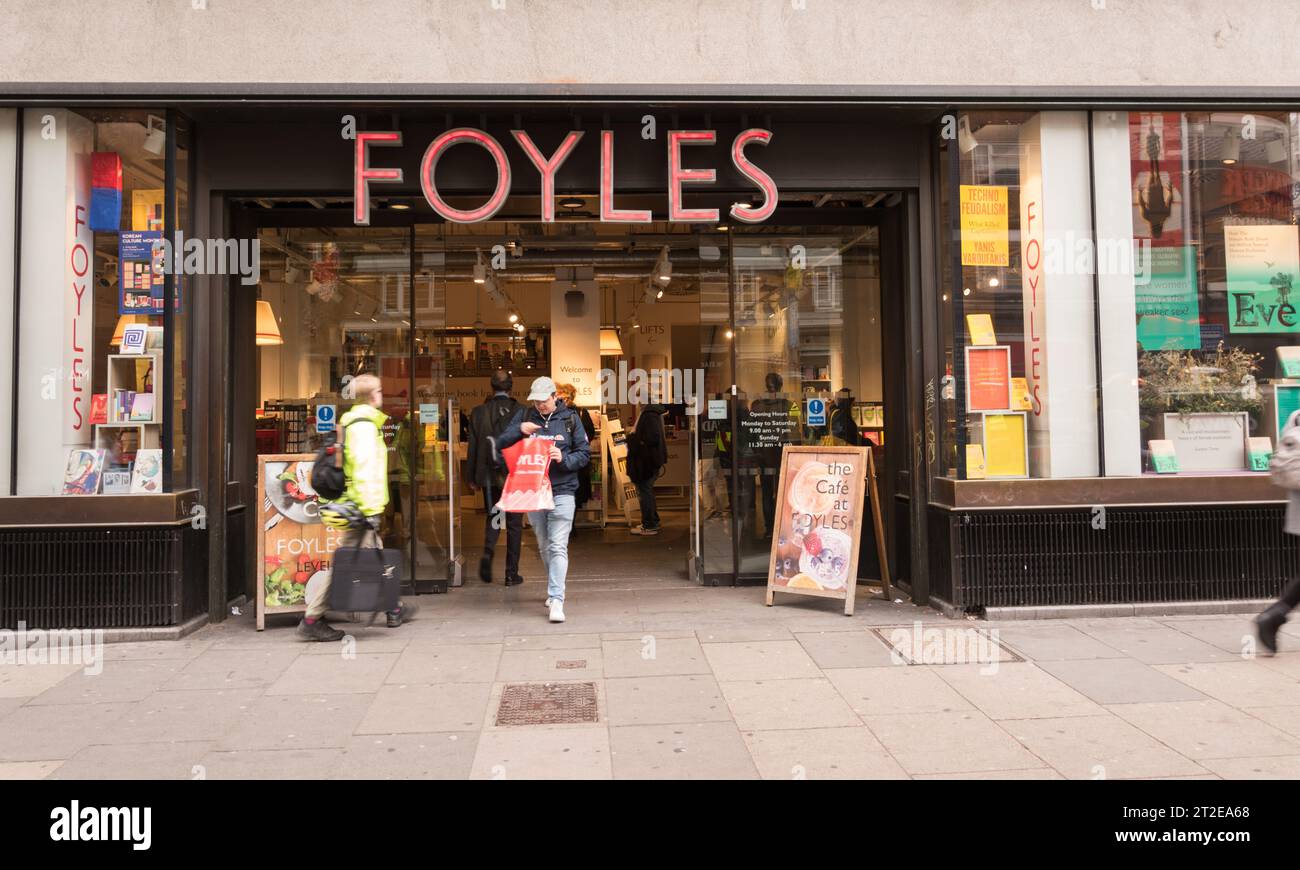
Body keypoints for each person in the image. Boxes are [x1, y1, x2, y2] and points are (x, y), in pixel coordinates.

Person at [300, 373, 415, 641]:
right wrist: (370, 511)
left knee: (371, 556)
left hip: (360, 506)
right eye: (380, 391)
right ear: (373, 395)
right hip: (361, 509)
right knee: (348, 563)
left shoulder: (358, 422)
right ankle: (312, 618)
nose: (382, 395)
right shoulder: (363, 427)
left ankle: (394, 607)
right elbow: (364, 471)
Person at [496, 376, 590, 623]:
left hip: (563, 490)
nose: (540, 406)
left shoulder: (570, 419)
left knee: (558, 545)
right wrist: (519, 429)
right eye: (536, 402)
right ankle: (554, 586)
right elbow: (501, 443)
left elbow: (584, 454)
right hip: (533, 492)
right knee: (544, 545)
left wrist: (564, 458)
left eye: (544, 401)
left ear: (555, 396)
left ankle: (557, 599)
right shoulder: (526, 416)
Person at [467, 369, 524, 586]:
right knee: (515, 524)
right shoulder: (521, 411)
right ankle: (511, 574)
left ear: (491, 387)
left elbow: (474, 447)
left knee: (494, 517)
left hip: (490, 476)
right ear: (511, 387)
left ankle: (488, 554)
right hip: (515, 476)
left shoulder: (479, 412)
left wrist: (471, 477)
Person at [627, 403, 668, 535]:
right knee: (646, 491)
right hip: (649, 460)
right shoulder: (652, 413)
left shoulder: (649, 414)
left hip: (646, 461)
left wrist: (633, 439)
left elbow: (652, 437)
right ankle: (651, 522)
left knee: (644, 491)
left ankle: (650, 525)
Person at [556, 382, 597, 509]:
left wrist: (579, 444)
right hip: (566, 459)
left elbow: (590, 432)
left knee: (573, 496)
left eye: (566, 397)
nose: (563, 400)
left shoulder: (580, 413)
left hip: (574, 460)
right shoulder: (558, 413)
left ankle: (569, 525)